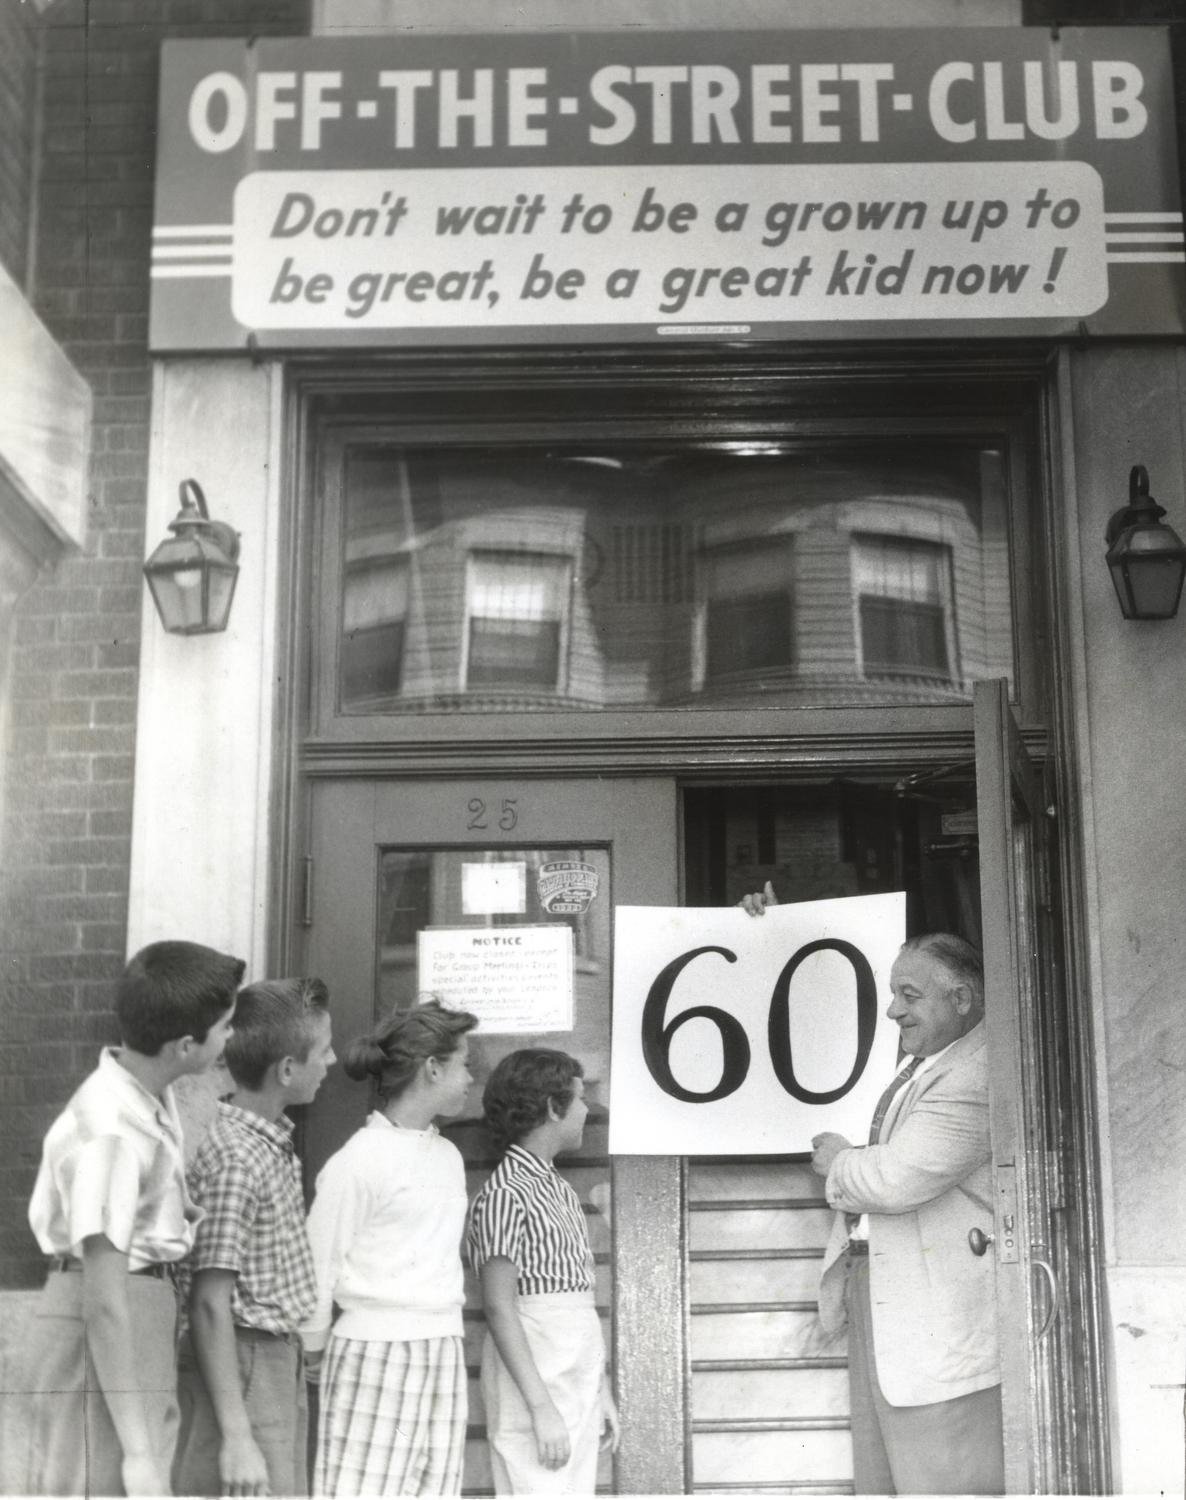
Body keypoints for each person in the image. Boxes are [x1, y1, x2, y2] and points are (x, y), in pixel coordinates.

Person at [746, 887, 1002, 1494]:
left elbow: (895, 1179)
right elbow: (815, 1001)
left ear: (961, 999)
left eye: (908, 996)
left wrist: (841, 1161)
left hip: (934, 1344)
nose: (891, 1011)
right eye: (892, 993)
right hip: (895, 1326)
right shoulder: (933, 1059)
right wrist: (770, 931)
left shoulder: (977, 1072)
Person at [23, 939, 244, 1497]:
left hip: (139, 1309)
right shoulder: (113, 1131)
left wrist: (173, 1209)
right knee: (109, 1480)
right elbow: (102, 1297)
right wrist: (138, 1454)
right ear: (186, 1044)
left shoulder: (147, 1091)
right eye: (225, 1027)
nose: (231, 1038)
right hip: (108, 1313)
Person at [301, 997, 478, 1497]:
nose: (469, 1078)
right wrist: (314, 1347)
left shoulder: (446, 1155)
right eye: (464, 1064)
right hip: (375, 1350)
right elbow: (319, 1260)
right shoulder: (359, 1161)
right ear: (432, 1068)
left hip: (442, 1347)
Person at [173, 976, 337, 1498]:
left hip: (273, 1360)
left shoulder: (268, 1145)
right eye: (325, 1049)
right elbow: (207, 1304)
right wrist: (237, 1436)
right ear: (288, 1069)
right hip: (240, 1364)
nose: (331, 1061)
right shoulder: (236, 1158)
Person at [466, 1049, 620, 1496]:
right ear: (553, 1108)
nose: (587, 1109)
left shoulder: (559, 1189)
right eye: (578, 1099)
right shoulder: (504, 1193)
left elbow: (579, 1304)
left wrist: (600, 1389)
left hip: (574, 1367)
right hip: (534, 1371)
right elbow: (498, 1305)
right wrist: (540, 1407)